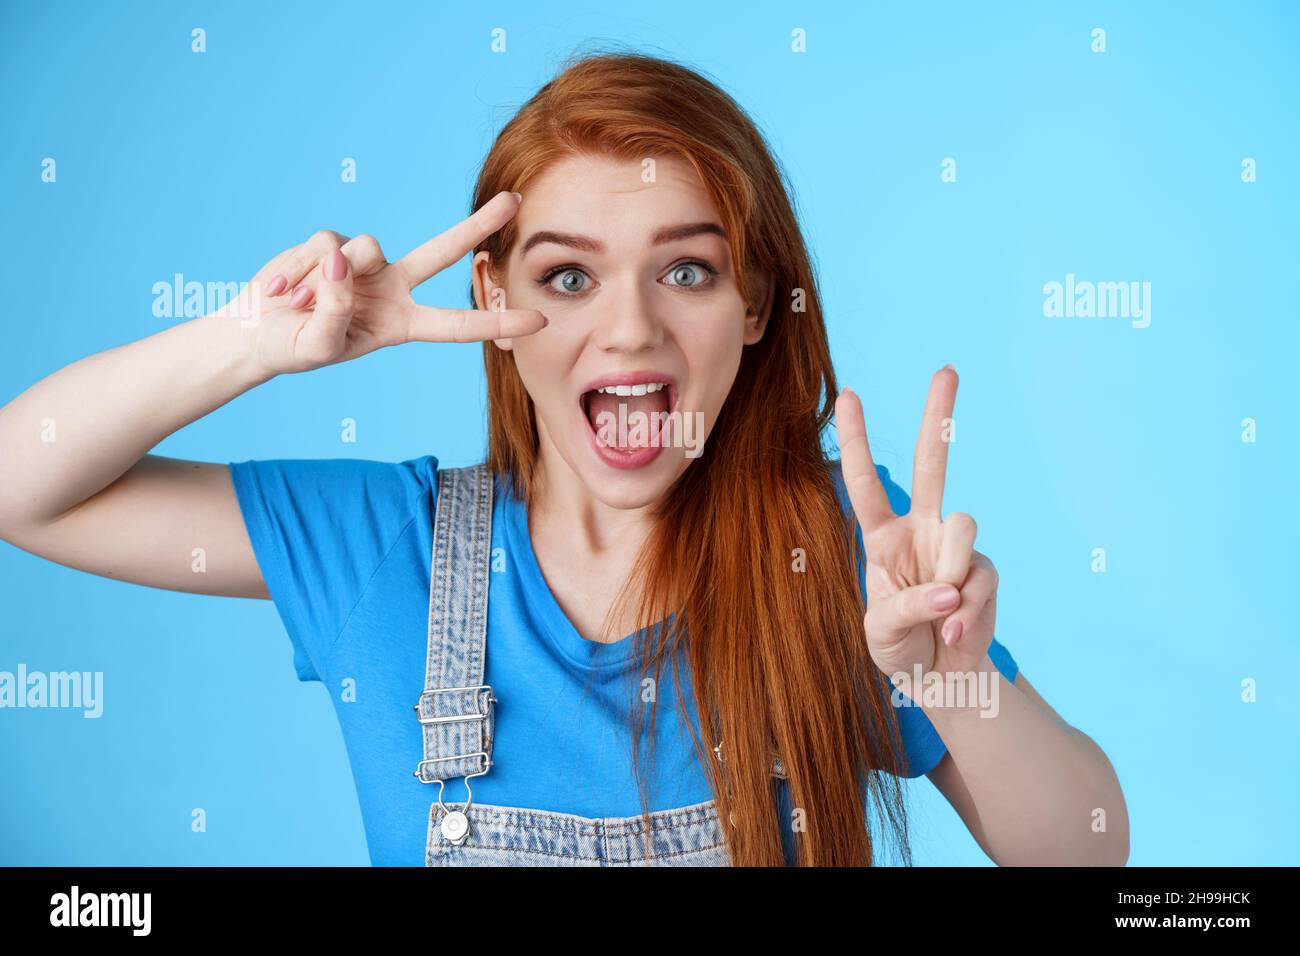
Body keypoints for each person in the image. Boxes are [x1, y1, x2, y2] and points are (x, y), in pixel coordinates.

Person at [0, 51, 1128, 866]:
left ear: (751, 307)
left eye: (686, 270)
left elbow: (1087, 850)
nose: (629, 329)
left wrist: (947, 679)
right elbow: (24, 485)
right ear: (491, 299)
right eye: (568, 277)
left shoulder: (843, 547)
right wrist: (254, 340)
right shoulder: (380, 551)